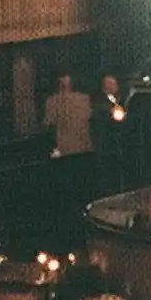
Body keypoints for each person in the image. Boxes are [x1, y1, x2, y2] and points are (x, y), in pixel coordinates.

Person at [44, 72, 95, 205]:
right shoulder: (84, 98)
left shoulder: (52, 101)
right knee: (84, 187)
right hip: (83, 148)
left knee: (70, 188)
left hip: (66, 150)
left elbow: (48, 123)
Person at [92, 74, 126, 194]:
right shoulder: (100, 101)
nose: (115, 86)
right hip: (104, 141)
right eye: (111, 84)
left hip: (118, 141)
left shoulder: (119, 98)